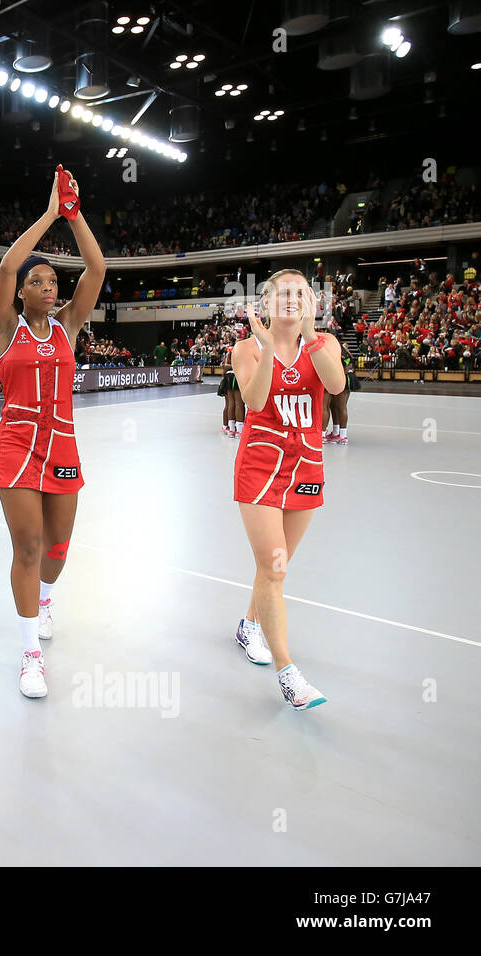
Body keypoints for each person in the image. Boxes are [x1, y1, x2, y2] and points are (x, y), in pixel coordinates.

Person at [0, 167, 105, 699]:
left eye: (53, 281)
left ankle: (46, 598)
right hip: (15, 446)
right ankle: (30, 652)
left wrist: (76, 218)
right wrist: (50, 214)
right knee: (29, 546)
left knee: (57, 549)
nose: (47, 285)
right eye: (39, 281)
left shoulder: (68, 327)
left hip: (61, 446)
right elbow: (10, 264)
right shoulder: (3, 327)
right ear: (21, 293)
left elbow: (97, 269)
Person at [231, 268, 346, 709]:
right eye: (284, 292)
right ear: (267, 302)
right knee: (274, 570)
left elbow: (335, 386)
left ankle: (248, 625)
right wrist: (265, 349)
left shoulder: (324, 344)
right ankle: (289, 674)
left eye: (302, 292)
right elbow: (256, 402)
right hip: (260, 470)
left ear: (312, 302)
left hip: (305, 468)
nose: (293, 299)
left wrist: (312, 334)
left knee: (274, 566)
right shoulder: (247, 349)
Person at [218, 345, 244, 437]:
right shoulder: (244, 351)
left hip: (227, 378)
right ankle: (239, 430)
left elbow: (224, 368)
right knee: (239, 404)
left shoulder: (230, 353)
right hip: (236, 377)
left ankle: (229, 428)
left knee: (230, 404)